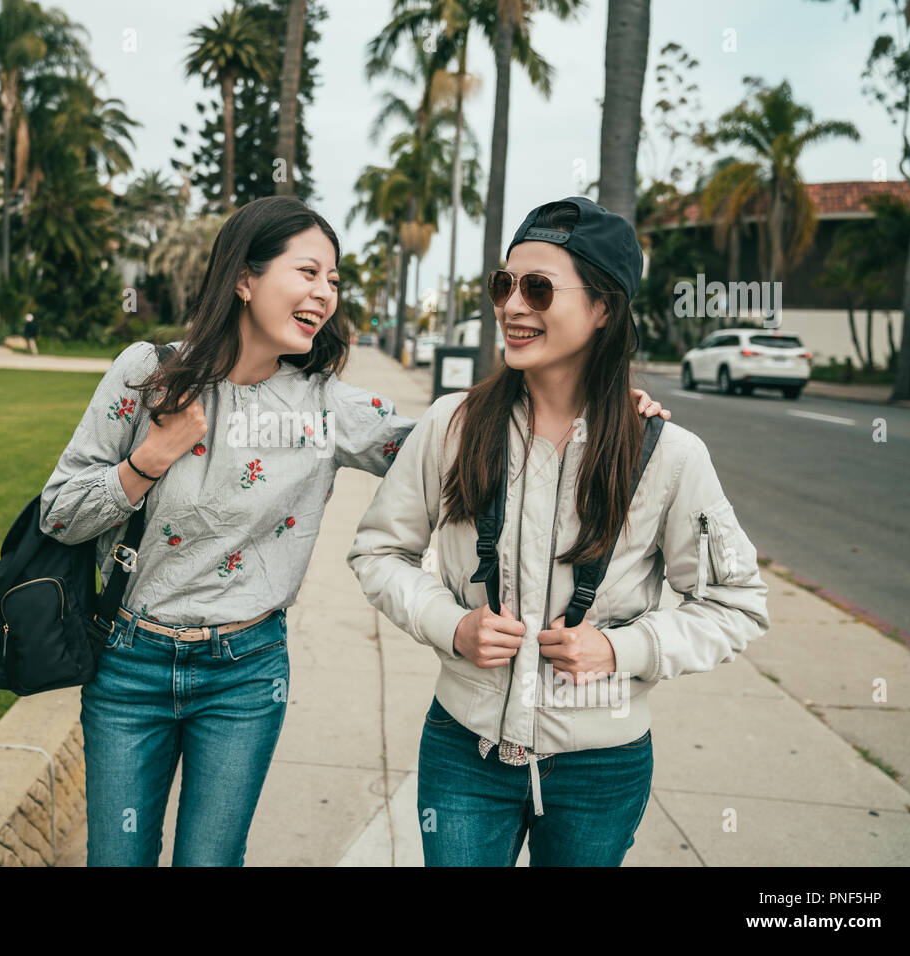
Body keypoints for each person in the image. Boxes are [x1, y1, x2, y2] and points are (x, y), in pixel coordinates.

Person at [38, 195, 669, 867]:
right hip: (130, 662)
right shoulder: (147, 373)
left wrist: (595, 406)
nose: (324, 293)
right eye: (307, 272)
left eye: (333, 280)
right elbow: (60, 512)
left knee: (211, 860)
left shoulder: (328, 407)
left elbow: (453, 445)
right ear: (244, 279)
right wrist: (147, 462)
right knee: (115, 857)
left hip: (244, 675)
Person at [347, 196, 769, 867]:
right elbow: (378, 551)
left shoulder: (668, 453)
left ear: (604, 308)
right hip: (464, 751)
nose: (514, 306)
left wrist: (621, 650)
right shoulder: (451, 427)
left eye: (538, 288)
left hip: (601, 770)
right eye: (504, 285)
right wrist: (447, 622)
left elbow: (737, 604)